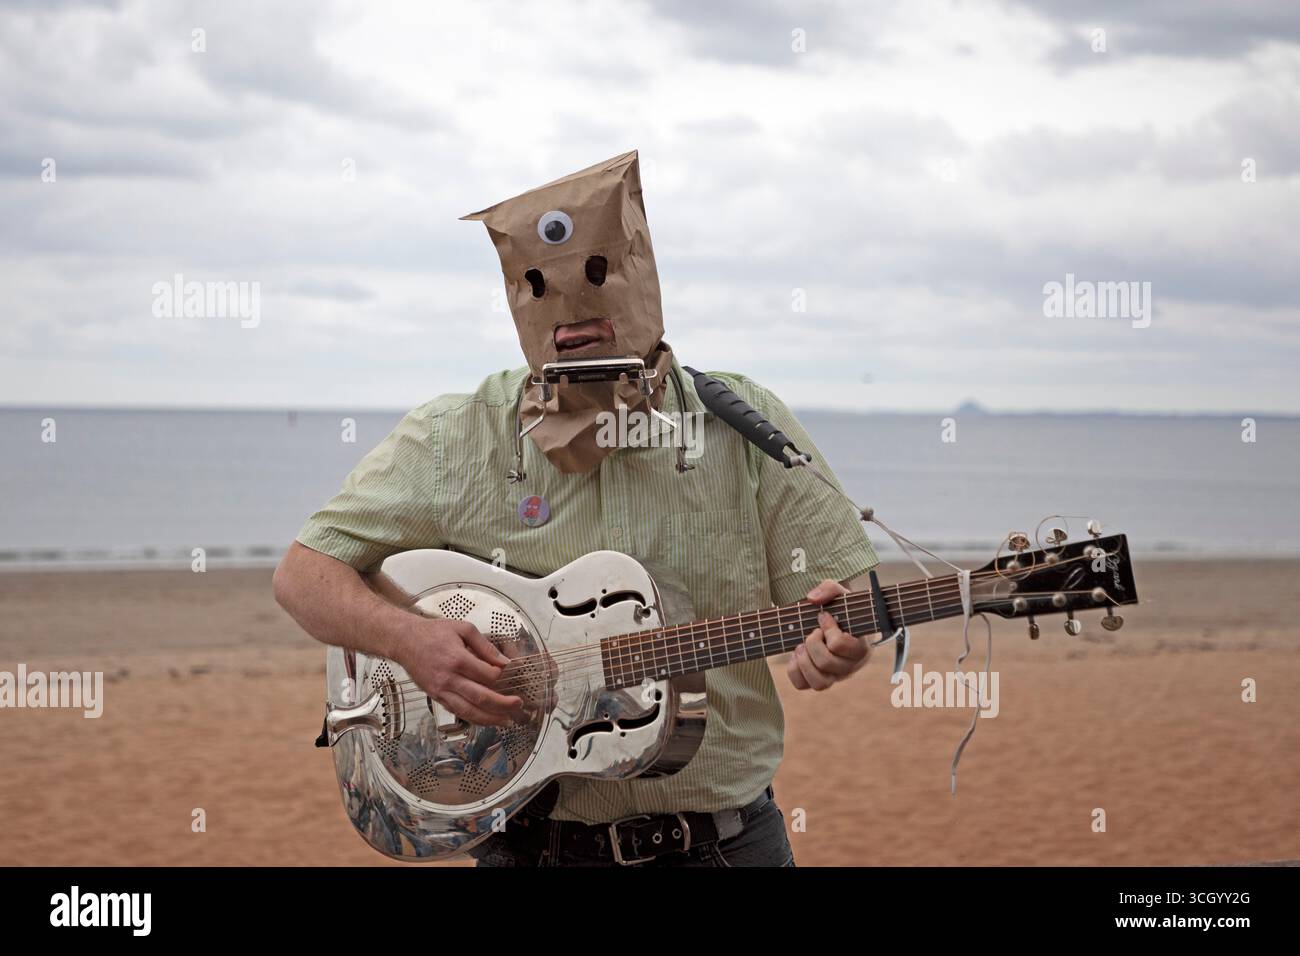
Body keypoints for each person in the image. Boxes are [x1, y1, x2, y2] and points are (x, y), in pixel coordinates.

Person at [273, 150, 880, 866]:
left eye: (597, 277)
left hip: (724, 845)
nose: (569, 320)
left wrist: (847, 638)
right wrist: (410, 642)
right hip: (530, 849)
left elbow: (849, 593)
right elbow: (304, 576)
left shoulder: (740, 426)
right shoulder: (456, 436)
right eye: (538, 288)